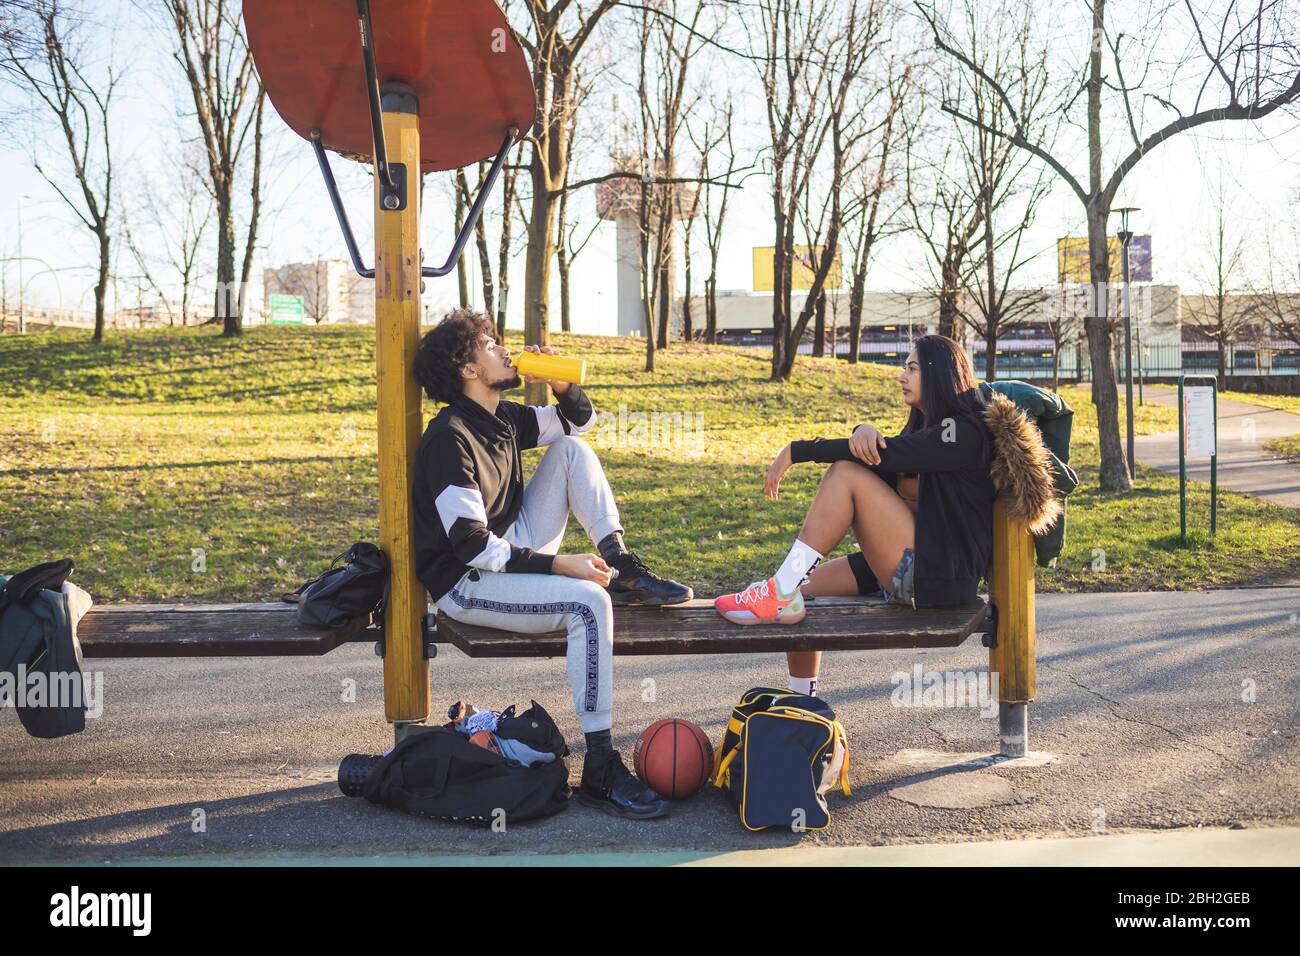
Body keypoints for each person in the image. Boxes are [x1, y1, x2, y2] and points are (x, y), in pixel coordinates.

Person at [411, 308, 692, 820]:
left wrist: (561, 384)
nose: (502, 348)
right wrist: (559, 565)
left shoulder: (502, 416)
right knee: (588, 603)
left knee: (569, 450)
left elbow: (579, 422)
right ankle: (601, 765)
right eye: (489, 344)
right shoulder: (449, 438)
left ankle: (620, 561)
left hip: (504, 551)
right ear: (468, 369)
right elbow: (472, 547)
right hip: (466, 582)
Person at [713, 334, 1061, 699]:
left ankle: (779, 590)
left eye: (912, 368)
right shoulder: (927, 431)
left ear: (937, 372)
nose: (902, 376)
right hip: (911, 559)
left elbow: (879, 459)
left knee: (845, 475)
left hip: (938, 576)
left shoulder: (964, 430)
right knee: (803, 593)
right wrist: (860, 432)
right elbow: (884, 458)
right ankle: (804, 700)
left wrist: (798, 451)